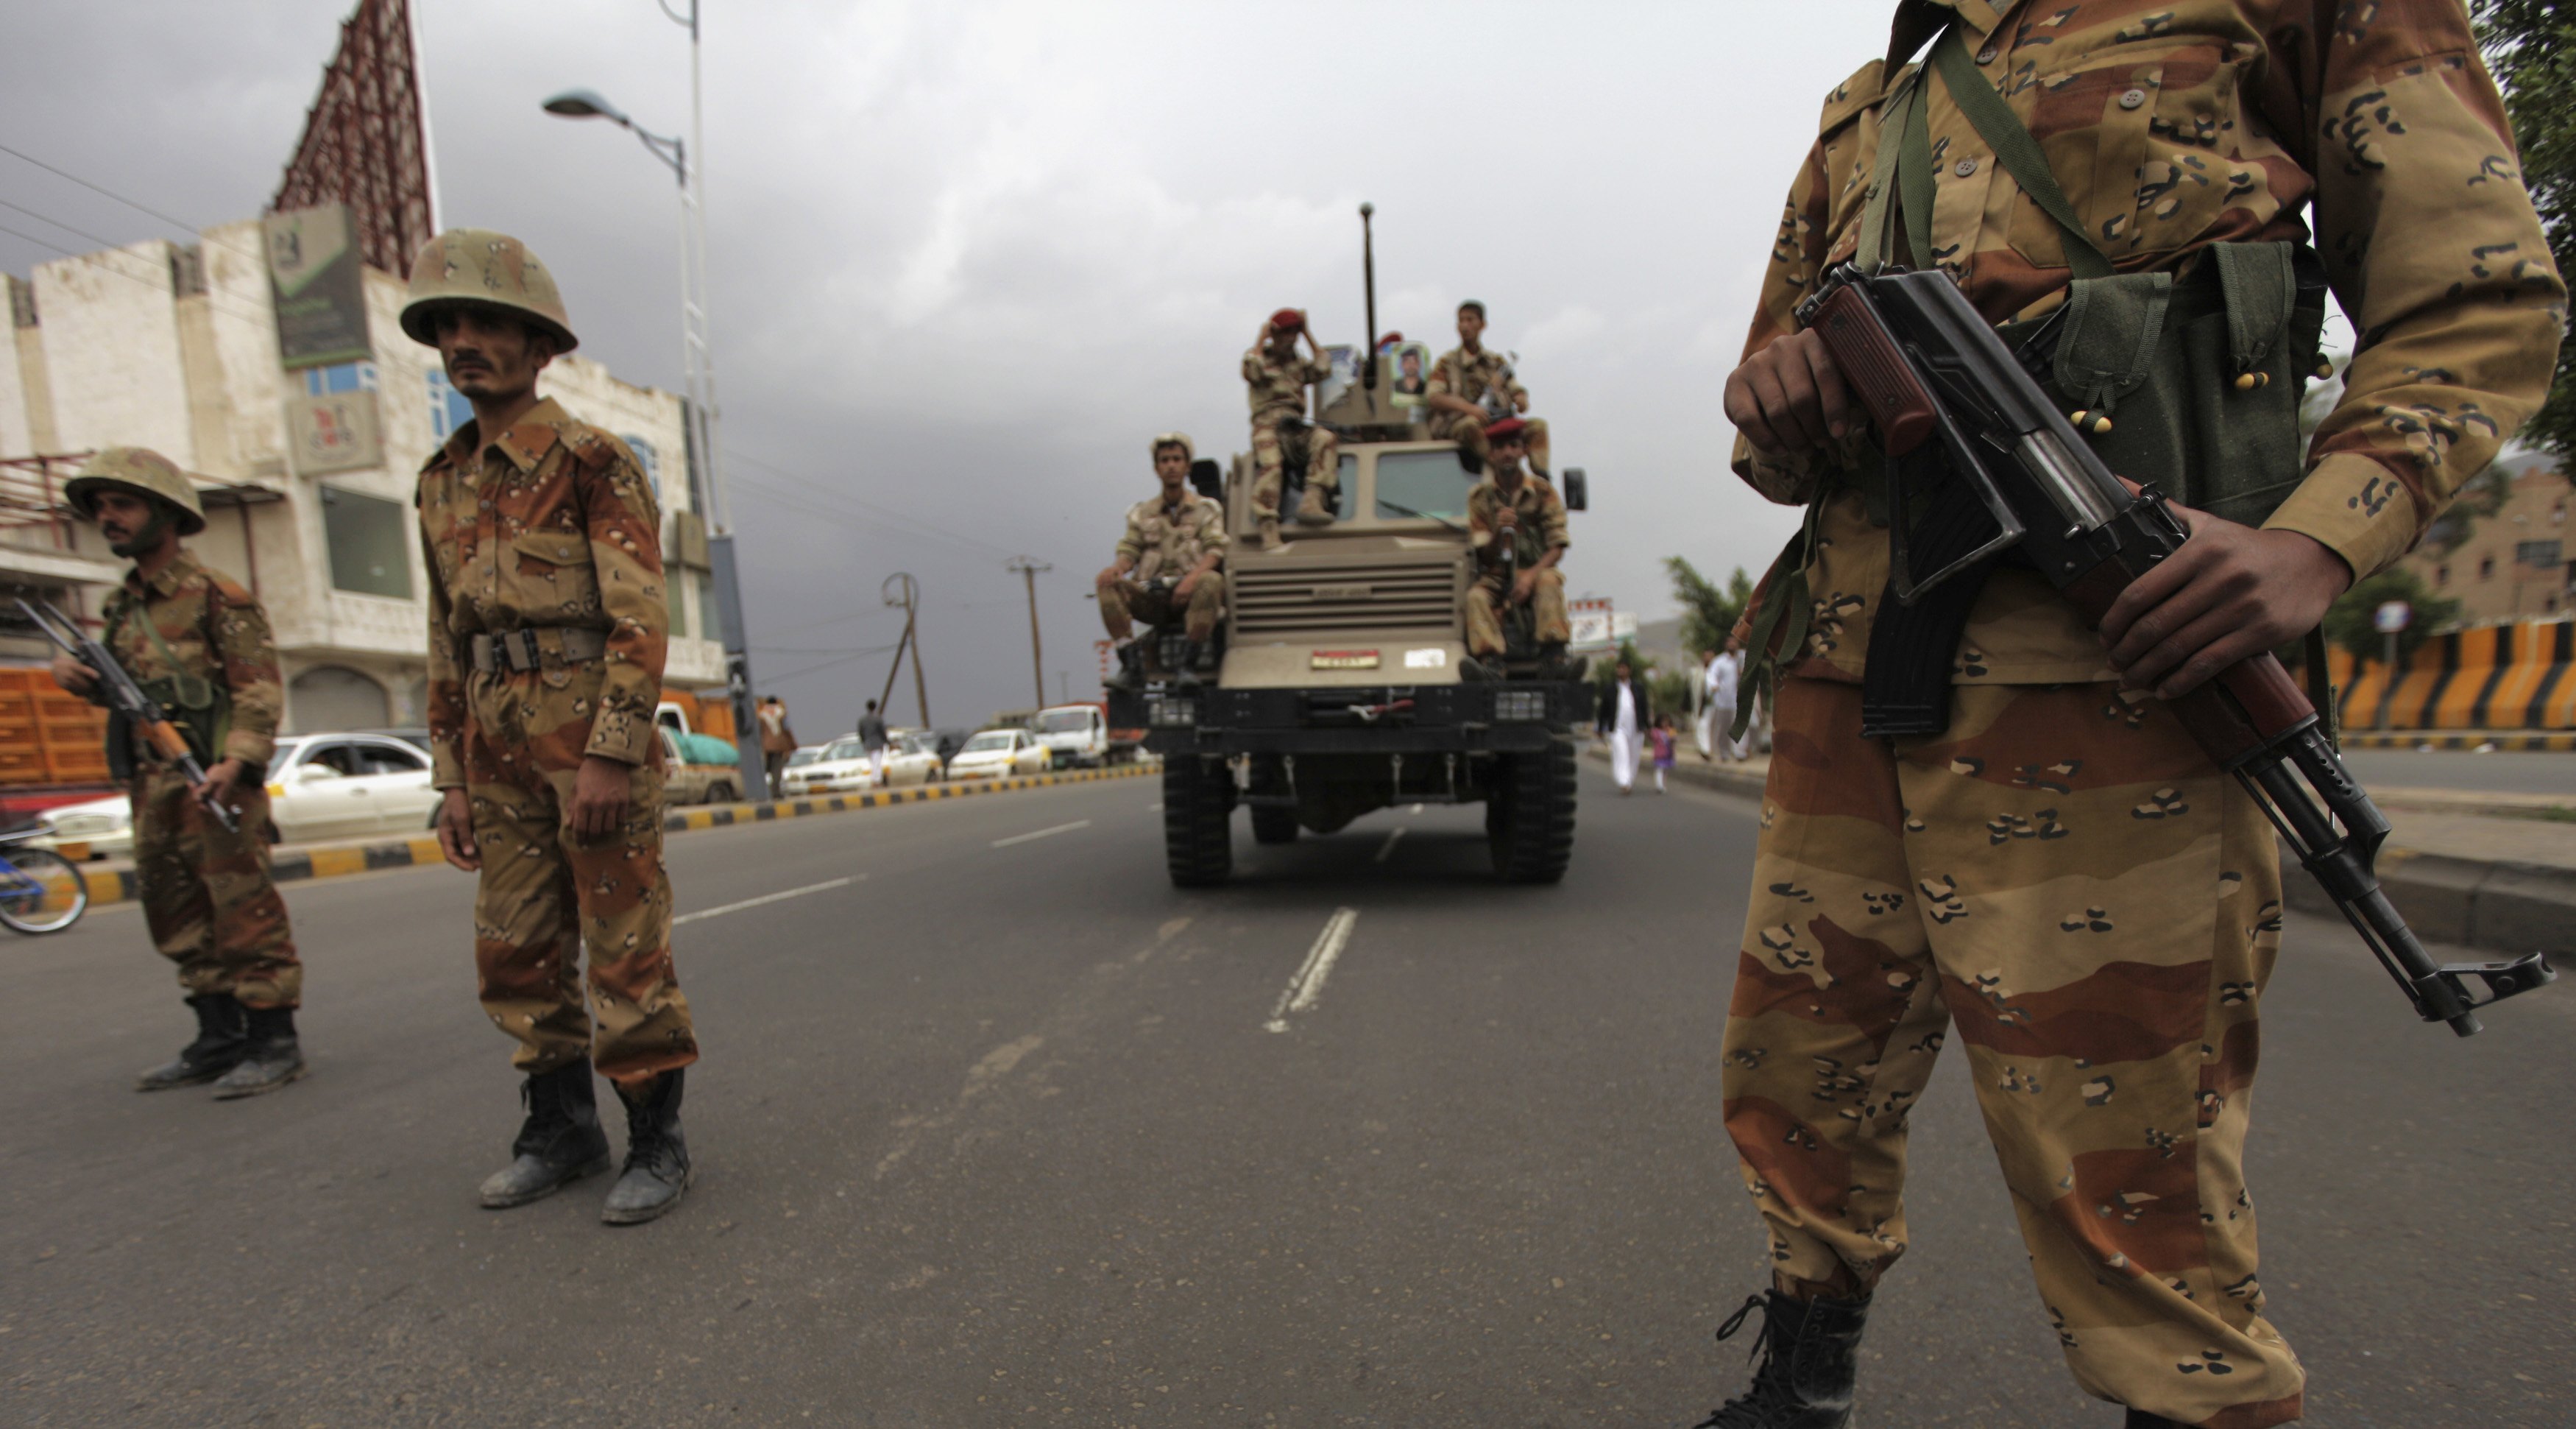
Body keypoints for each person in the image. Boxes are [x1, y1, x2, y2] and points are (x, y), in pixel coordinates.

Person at [1697, 4, 2563, 1427]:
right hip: (1857, 670)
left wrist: (2316, 542)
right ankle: (1800, 1380)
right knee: (1801, 1072)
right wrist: (1780, 396)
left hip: (2122, 669)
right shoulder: (1881, 101)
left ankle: (2201, 1403)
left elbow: (2477, 294)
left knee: (2125, 1139)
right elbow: (1767, 429)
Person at [403, 227, 697, 1226]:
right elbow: (445, 638)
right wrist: (450, 777)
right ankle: (561, 1129)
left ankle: (655, 1139)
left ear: (541, 348)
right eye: (451, 324)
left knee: (622, 944)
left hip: (585, 735)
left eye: (490, 323)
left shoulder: (592, 461)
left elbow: (640, 616)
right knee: (516, 949)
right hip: (492, 746)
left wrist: (612, 754)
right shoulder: (438, 481)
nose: (467, 341)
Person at [52, 448, 305, 1098]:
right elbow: (126, 695)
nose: (108, 517)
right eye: (100, 507)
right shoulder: (119, 608)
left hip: (215, 778)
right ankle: (216, 1036)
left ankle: (273, 1040)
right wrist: (78, 680)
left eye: (123, 504)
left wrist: (236, 761)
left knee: (243, 911)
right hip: (152, 783)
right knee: (175, 912)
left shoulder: (218, 596)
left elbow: (257, 690)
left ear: (165, 514)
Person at [1099, 431, 1228, 688]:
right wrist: (1117, 569)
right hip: (1153, 598)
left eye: (1177, 459)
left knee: (1211, 580)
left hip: (1191, 598)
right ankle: (1130, 665)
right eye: (1165, 460)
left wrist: (1192, 579)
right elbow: (1131, 549)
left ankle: (1187, 666)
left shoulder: (1207, 509)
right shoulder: (1141, 513)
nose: (1171, 465)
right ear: (1156, 468)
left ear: (1187, 466)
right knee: (1106, 583)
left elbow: (1215, 549)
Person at [1462, 417, 1570, 671]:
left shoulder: (1543, 492)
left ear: (1523, 450)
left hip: (1536, 569)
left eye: (1513, 446)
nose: (1508, 453)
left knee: (1549, 582)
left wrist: (1530, 577)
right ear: (1492, 453)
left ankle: (1554, 657)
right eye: (1500, 447)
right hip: (1497, 576)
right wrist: (1499, 531)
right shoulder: (1480, 498)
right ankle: (1490, 663)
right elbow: (1484, 556)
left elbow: (1557, 545)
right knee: (1476, 597)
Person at [1243, 308, 1340, 548]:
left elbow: (1323, 368)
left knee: (1325, 439)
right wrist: (1261, 338)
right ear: (1274, 334)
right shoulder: (1258, 358)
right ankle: (1267, 524)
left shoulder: (1298, 363)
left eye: (1294, 332)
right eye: (1286, 332)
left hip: (1294, 424)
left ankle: (1312, 500)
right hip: (1267, 424)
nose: (1291, 338)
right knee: (1271, 463)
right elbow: (1251, 372)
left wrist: (1308, 333)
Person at [1426, 300, 1551, 475]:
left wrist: (1521, 399)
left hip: (1497, 422)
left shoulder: (1496, 362)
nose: (1464, 326)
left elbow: (1516, 389)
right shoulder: (1447, 363)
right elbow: (1434, 397)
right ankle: (1500, 471)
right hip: (1462, 425)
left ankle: (1541, 479)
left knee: (1538, 426)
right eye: (1461, 321)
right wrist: (1470, 409)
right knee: (1470, 426)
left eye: (1470, 320)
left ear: (1482, 325)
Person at [1595, 657, 1648, 796]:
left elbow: (1644, 707)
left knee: (1633, 755)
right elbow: (1603, 710)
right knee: (1621, 753)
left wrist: (1647, 726)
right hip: (1618, 728)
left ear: (1629, 670)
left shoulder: (1638, 688)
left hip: (1635, 727)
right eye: (1619, 668)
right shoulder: (1611, 689)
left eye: (1623, 668)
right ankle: (1623, 781)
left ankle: (1629, 780)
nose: (1621, 670)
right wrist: (1601, 728)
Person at [1705, 637, 1741, 763]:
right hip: (1723, 701)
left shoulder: (1743, 659)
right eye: (1730, 642)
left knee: (1740, 727)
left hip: (1740, 700)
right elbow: (1711, 675)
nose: (1732, 644)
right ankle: (1724, 753)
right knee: (1724, 729)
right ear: (1726, 645)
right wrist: (1714, 686)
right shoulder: (1719, 661)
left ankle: (1739, 752)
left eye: (1734, 642)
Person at [757, 696, 796, 800]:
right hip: (779, 746)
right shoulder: (781, 714)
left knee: (766, 769)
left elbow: (758, 733)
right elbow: (787, 730)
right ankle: (775, 793)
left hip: (766, 747)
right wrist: (793, 745)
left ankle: (764, 791)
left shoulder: (761, 716)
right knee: (777, 770)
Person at [857, 699, 891, 784]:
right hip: (877, 745)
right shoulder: (878, 719)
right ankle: (877, 781)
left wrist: (864, 741)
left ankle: (874, 780)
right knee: (877, 764)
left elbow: (861, 733)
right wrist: (887, 742)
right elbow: (883, 732)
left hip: (868, 745)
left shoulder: (862, 720)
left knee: (872, 764)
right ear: (875, 707)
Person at [1649, 716, 1676, 794]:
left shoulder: (1671, 731)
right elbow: (1653, 737)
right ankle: (1659, 785)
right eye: (1663, 722)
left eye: (1667, 722)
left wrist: (1671, 735)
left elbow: (1674, 739)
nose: (1665, 724)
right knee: (1659, 770)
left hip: (1668, 754)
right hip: (1659, 754)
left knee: (1665, 771)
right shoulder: (1656, 731)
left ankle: (1663, 785)